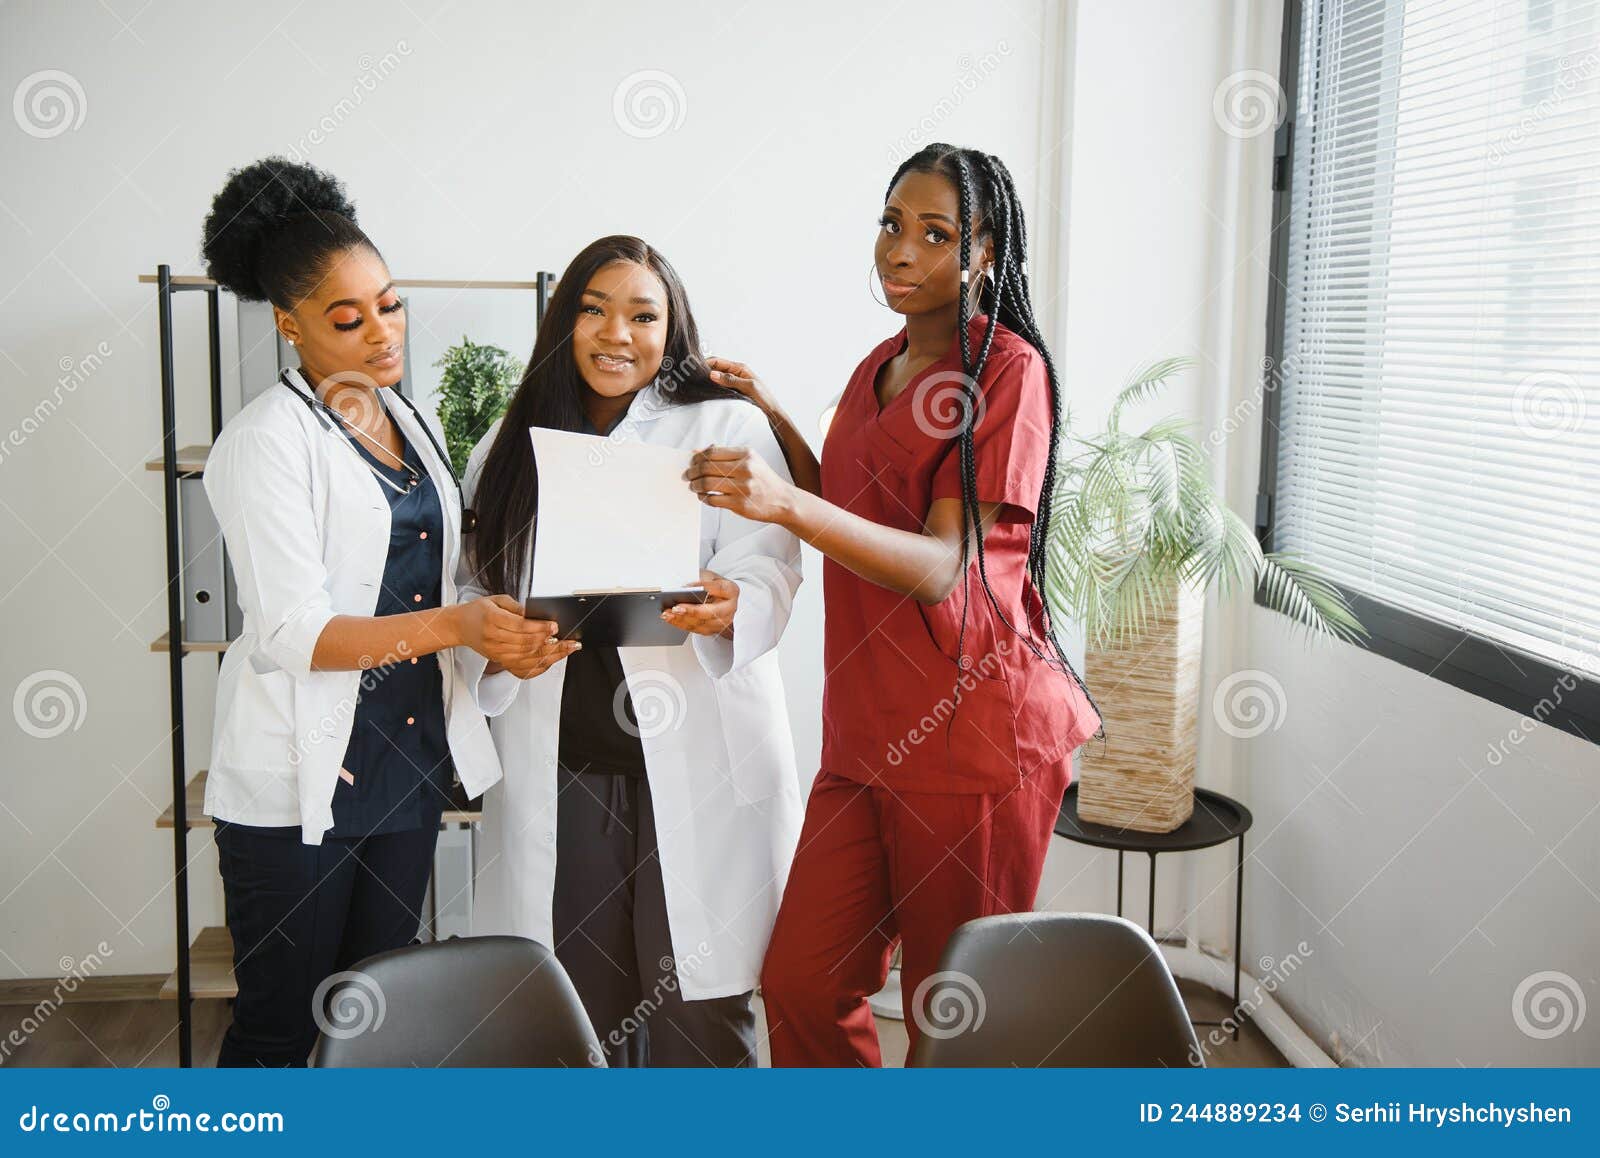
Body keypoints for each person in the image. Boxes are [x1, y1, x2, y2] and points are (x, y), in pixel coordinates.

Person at [682, 144, 1104, 1065]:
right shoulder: (882, 360)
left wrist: (784, 501)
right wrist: (772, 419)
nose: (900, 251)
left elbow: (948, 567)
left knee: (953, 1019)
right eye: (890, 223)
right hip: (868, 733)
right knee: (799, 980)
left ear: (983, 253)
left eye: (935, 233)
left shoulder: (1007, 372)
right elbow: (852, 497)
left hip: (974, 737)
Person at [199, 158, 554, 1067]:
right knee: (283, 1027)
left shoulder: (407, 419)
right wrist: (459, 629)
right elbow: (296, 634)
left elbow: (442, 576)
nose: (381, 331)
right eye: (346, 317)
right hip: (299, 784)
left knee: (375, 1017)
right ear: (289, 326)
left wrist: (498, 632)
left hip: (404, 767)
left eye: (389, 304)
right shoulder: (263, 444)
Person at [459, 235, 804, 1067]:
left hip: (698, 760)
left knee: (701, 1007)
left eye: (642, 315)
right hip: (571, 763)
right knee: (582, 1007)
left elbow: (772, 568)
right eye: (593, 310)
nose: (617, 334)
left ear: (671, 326)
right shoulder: (509, 445)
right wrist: (499, 641)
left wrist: (733, 606)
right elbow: (473, 590)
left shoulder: (725, 425)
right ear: (564, 322)